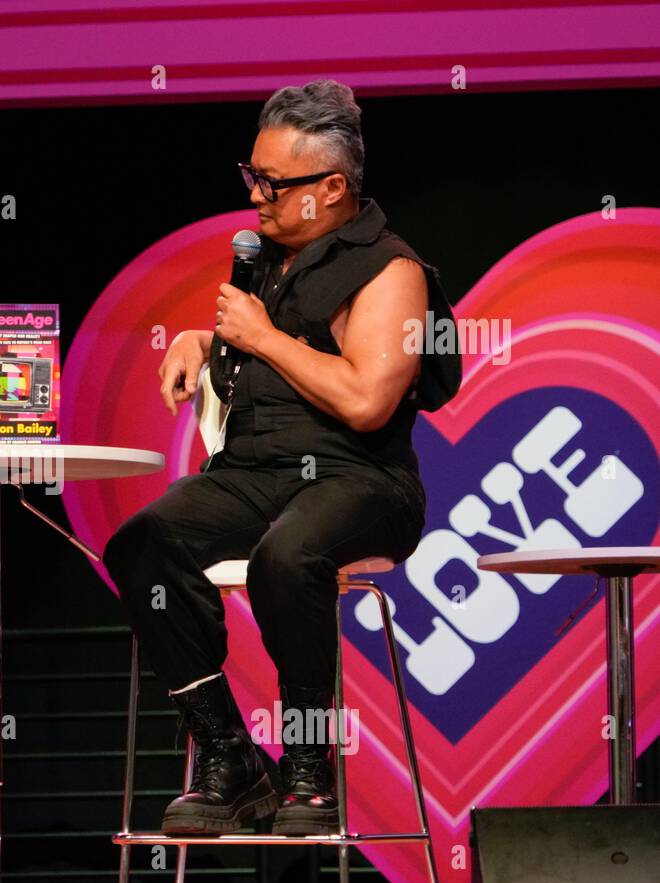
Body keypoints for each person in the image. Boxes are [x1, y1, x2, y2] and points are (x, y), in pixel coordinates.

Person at [102, 80, 460, 836]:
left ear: (331, 188)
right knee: (141, 543)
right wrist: (209, 341)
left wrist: (262, 337)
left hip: (364, 483)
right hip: (252, 475)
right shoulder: (265, 258)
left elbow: (366, 399)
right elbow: (261, 354)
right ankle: (229, 756)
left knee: (288, 556)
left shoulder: (392, 271)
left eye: (273, 183)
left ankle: (307, 762)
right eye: (252, 176)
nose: (256, 196)